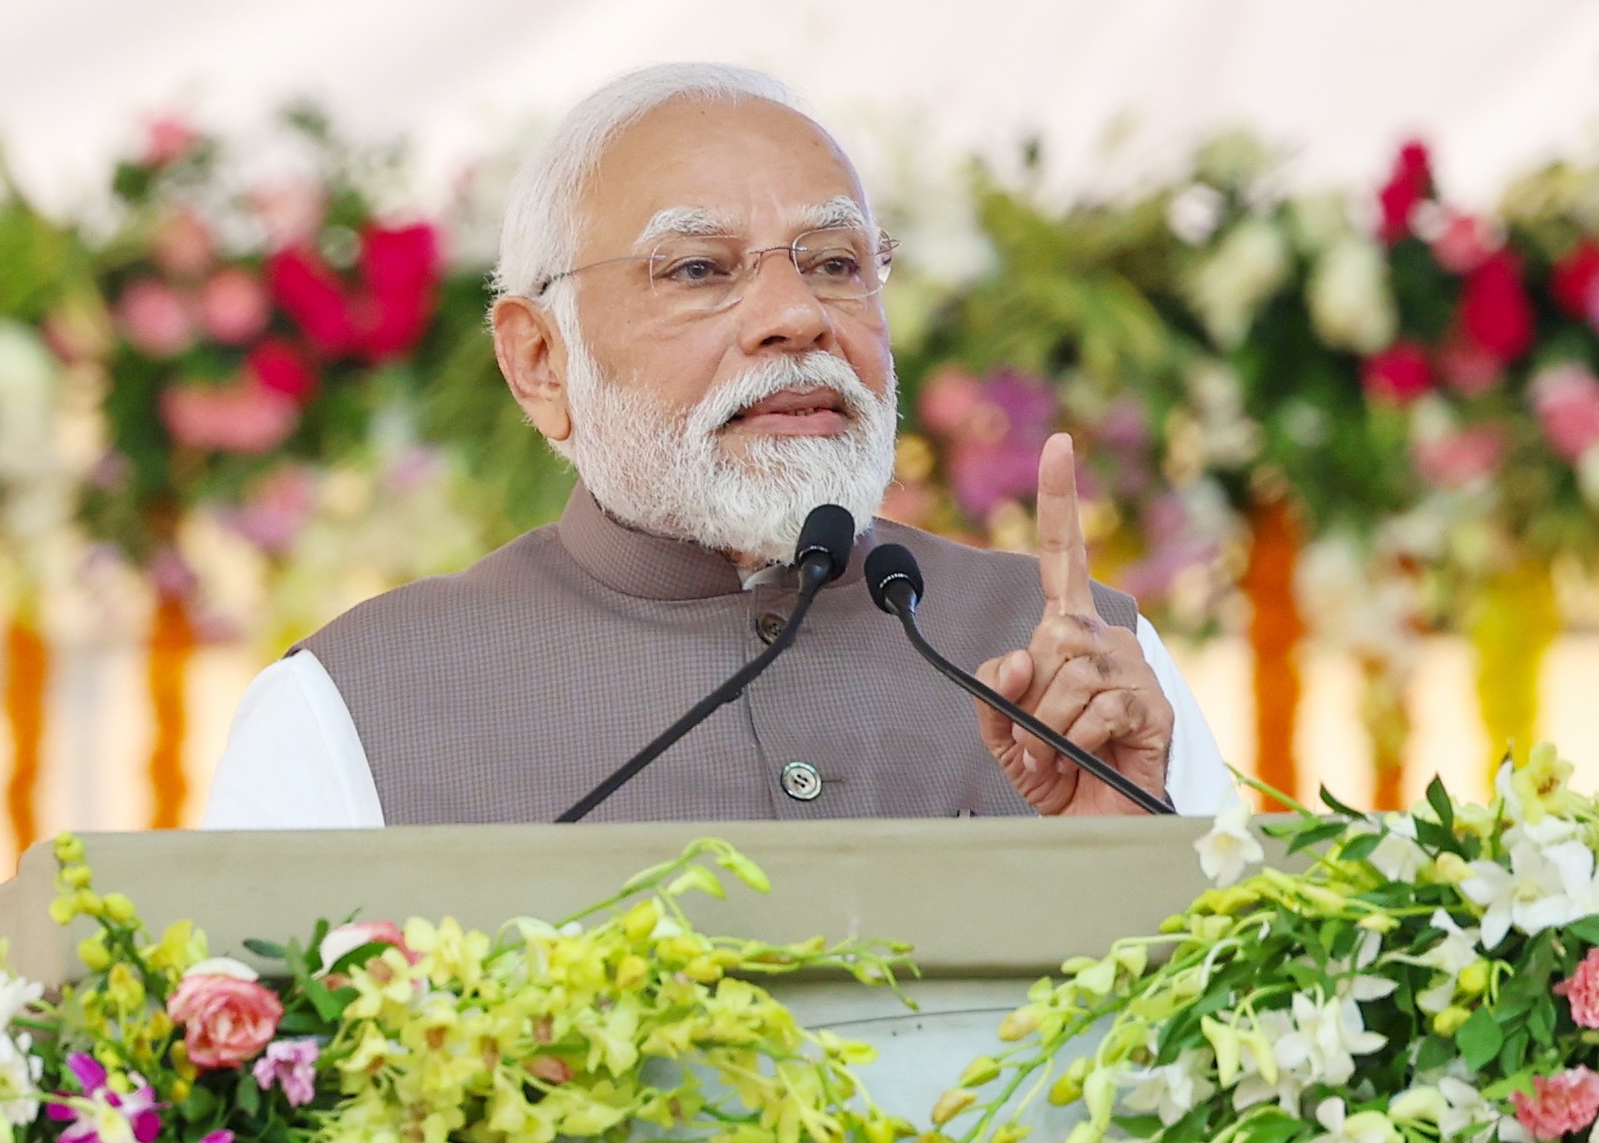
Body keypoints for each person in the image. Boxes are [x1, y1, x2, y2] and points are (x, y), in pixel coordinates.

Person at [204, 64, 1230, 827]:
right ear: (538, 362)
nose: (796, 316)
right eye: (698, 269)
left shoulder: (1090, 673)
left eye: (835, 262)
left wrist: (1136, 870)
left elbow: (1252, 1083)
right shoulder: (359, 706)